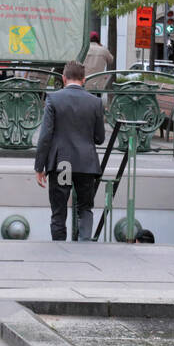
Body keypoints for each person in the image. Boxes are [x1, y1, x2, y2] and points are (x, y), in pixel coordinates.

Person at [34, 60, 105, 242]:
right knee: (85, 207)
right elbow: (100, 138)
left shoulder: (54, 99)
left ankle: (59, 246)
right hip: (86, 164)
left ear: (64, 78)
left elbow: (45, 136)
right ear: (84, 79)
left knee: (59, 210)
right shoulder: (95, 102)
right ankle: (84, 243)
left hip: (62, 163)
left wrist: (39, 166)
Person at [83, 30, 114, 96]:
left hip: (85, 82)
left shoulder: (84, 49)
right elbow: (111, 60)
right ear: (98, 40)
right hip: (98, 84)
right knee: (97, 101)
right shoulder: (103, 50)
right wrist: (102, 46)